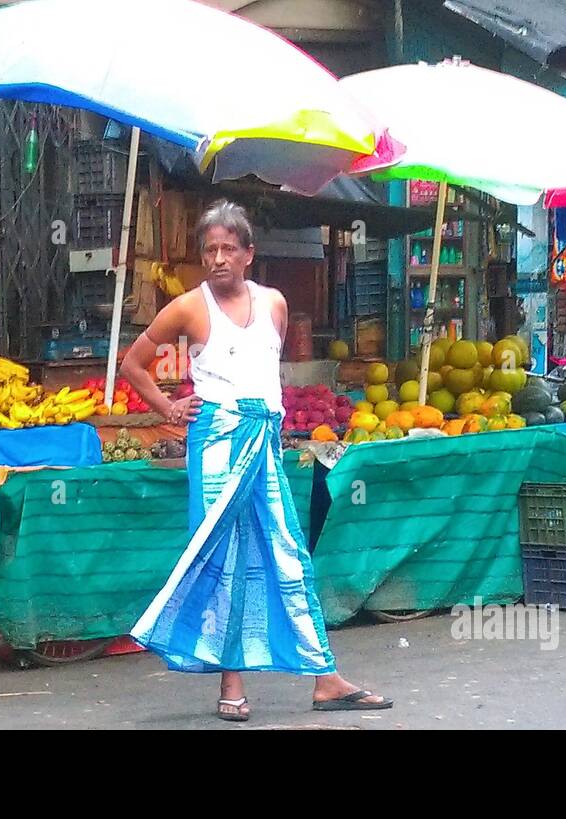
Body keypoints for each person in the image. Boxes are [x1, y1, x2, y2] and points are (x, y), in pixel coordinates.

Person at [119, 200, 392, 722]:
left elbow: (267, 369)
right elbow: (133, 363)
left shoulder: (275, 304)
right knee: (224, 559)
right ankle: (231, 684)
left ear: (249, 253)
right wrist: (169, 407)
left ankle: (325, 678)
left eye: (228, 248)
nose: (218, 258)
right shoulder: (186, 307)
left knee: (286, 553)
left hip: (264, 441)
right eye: (209, 250)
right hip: (217, 444)